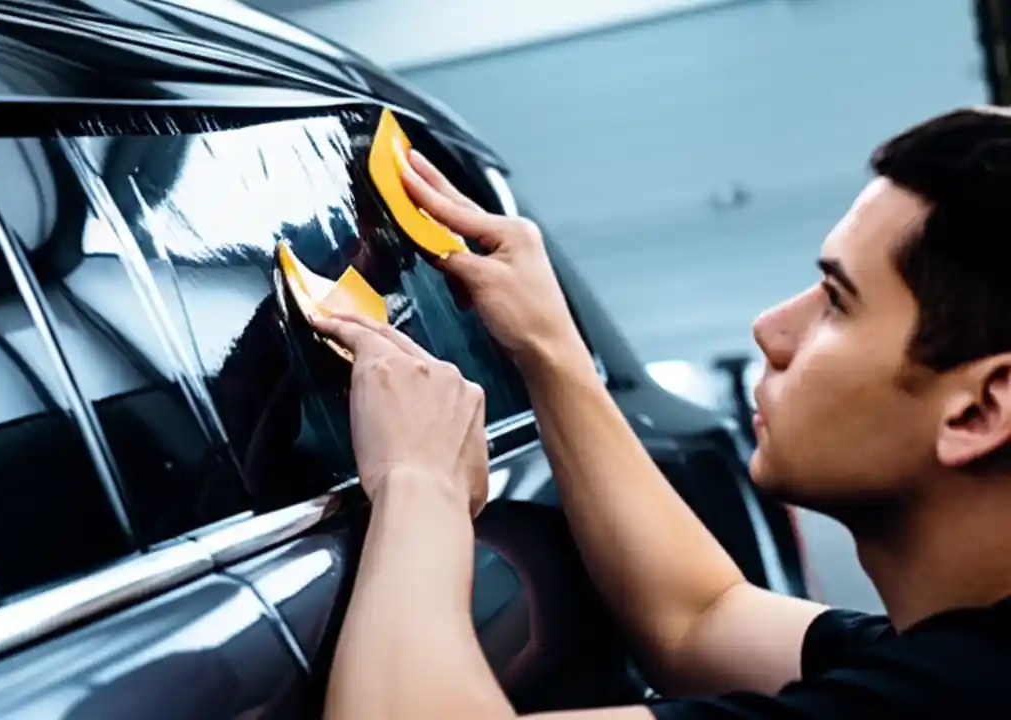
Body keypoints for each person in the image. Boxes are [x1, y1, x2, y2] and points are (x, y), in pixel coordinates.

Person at [317, 108, 1011, 719]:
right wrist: (553, 350)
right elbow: (700, 620)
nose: (770, 329)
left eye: (837, 300)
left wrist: (420, 487)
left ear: (979, 410)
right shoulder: (960, 661)